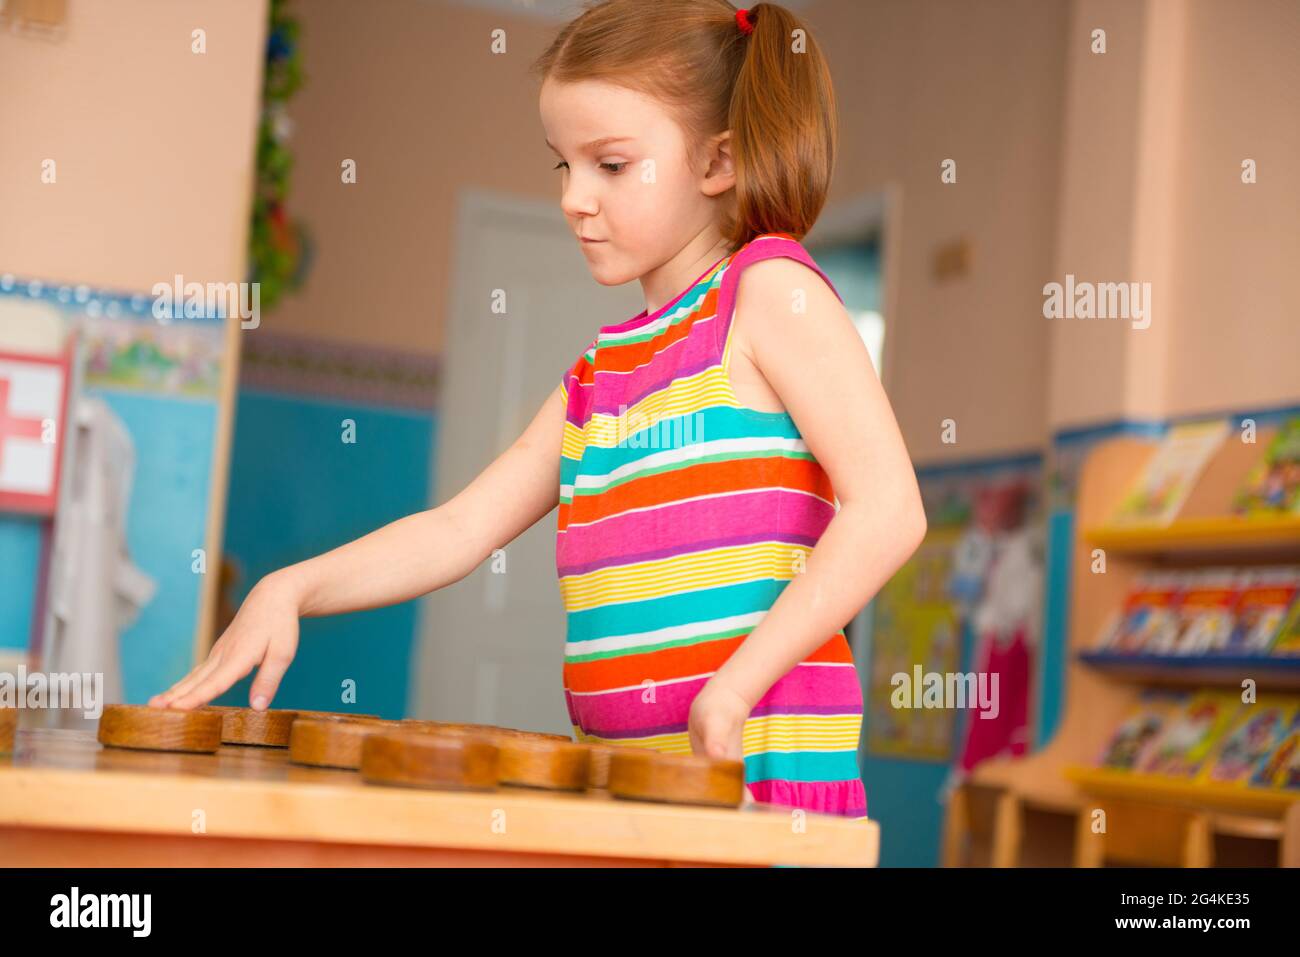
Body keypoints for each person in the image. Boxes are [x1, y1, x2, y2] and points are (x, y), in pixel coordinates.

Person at [151, 0, 927, 820]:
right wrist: (291, 586)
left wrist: (734, 687)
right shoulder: (600, 372)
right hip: (636, 791)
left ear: (718, 161)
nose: (573, 197)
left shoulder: (770, 291)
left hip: (760, 785)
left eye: (612, 165)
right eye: (564, 165)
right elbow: (460, 528)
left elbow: (888, 510)